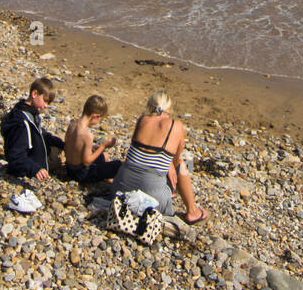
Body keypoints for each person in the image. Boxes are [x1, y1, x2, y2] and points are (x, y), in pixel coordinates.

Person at [111, 90, 206, 224]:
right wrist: (172, 165)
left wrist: (169, 164)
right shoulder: (176, 125)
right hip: (152, 201)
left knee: (153, 162)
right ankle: (193, 211)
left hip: (119, 192)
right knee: (185, 164)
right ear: (170, 109)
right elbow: (177, 160)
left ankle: (168, 187)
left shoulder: (142, 119)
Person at [1, 77, 65, 181]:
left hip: (32, 157)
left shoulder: (27, 111)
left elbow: (40, 134)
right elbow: (16, 155)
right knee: (63, 157)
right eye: (45, 101)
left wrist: (62, 144)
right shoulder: (22, 122)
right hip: (30, 165)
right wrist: (35, 169)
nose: (45, 106)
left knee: (59, 143)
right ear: (34, 94)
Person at [64, 95, 122, 182]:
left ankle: (107, 178)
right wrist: (104, 145)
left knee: (104, 155)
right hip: (82, 174)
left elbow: (72, 146)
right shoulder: (87, 135)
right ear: (95, 116)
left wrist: (90, 148)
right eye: (100, 119)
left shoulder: (72, 125)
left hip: (69, 170)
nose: (99, 122)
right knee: (119, 165)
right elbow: (87, 162)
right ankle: (108, 180)